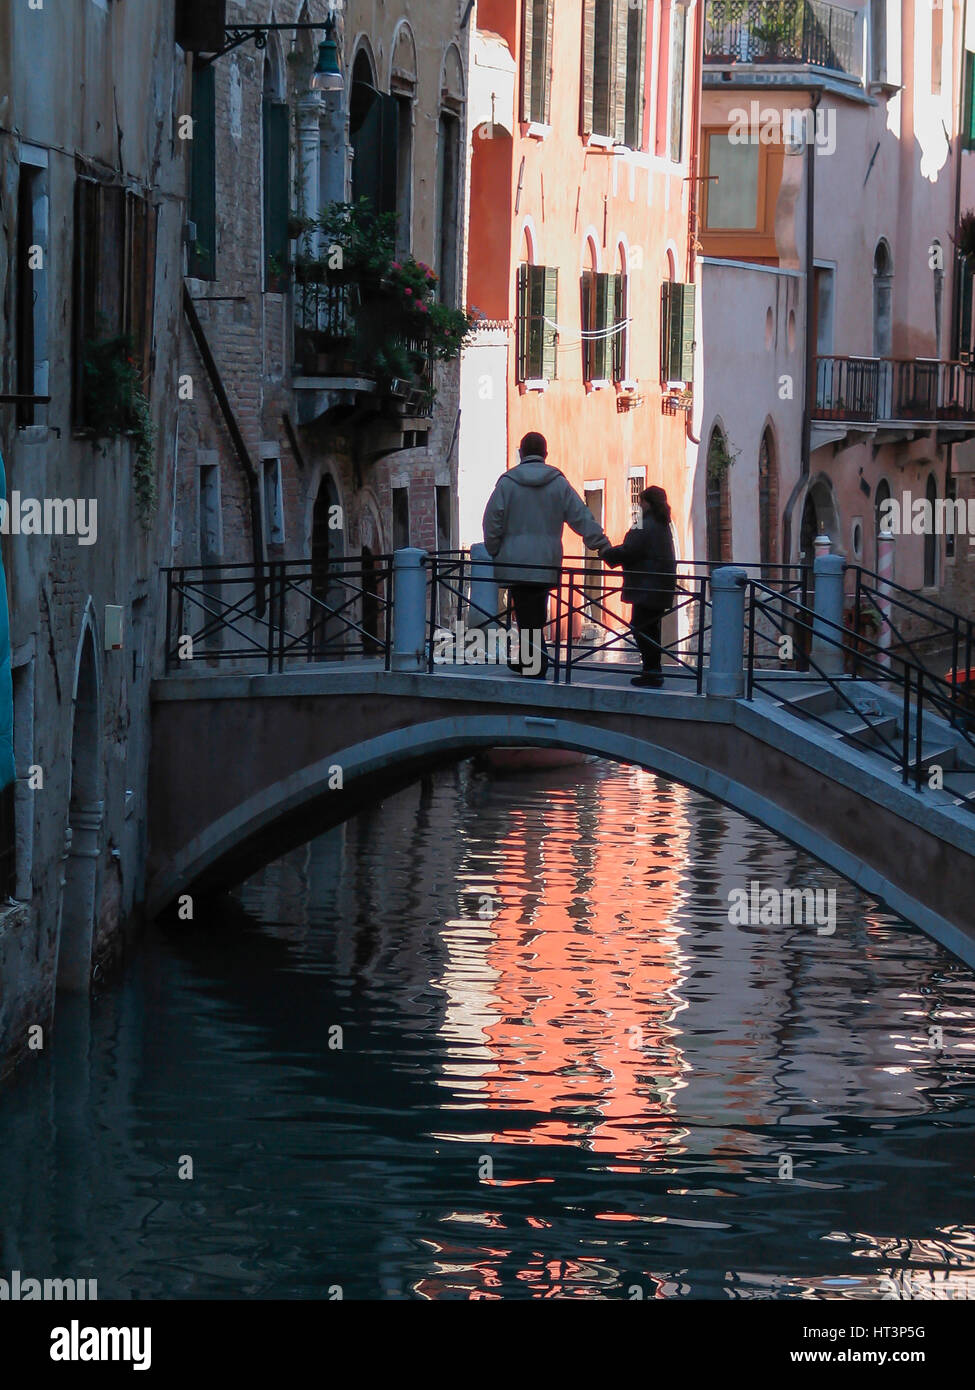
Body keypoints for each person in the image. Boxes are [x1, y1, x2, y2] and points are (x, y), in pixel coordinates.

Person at [483, 432, 611, 678]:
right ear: (545, 453)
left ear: (521, 453)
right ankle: (533, 662)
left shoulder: (507, 484)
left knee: (524, 611)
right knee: (537, 611)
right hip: (546, 560)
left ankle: (534, 663)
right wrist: (601, 544)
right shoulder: (558, 483)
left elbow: (492, 521)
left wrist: (494, 548)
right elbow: (581, 517)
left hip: (515, 561)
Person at [602, 485, 677, 687]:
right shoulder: (663, 524)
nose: (639, 504)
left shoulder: (643, 524)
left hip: (646, 586)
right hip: (660, 585)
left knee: (641, 627)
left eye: (641, 501)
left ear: (647, 503)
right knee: (651, 629)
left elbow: (629, 550)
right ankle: (653, 671)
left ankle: (651, 672)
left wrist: (606, 553)